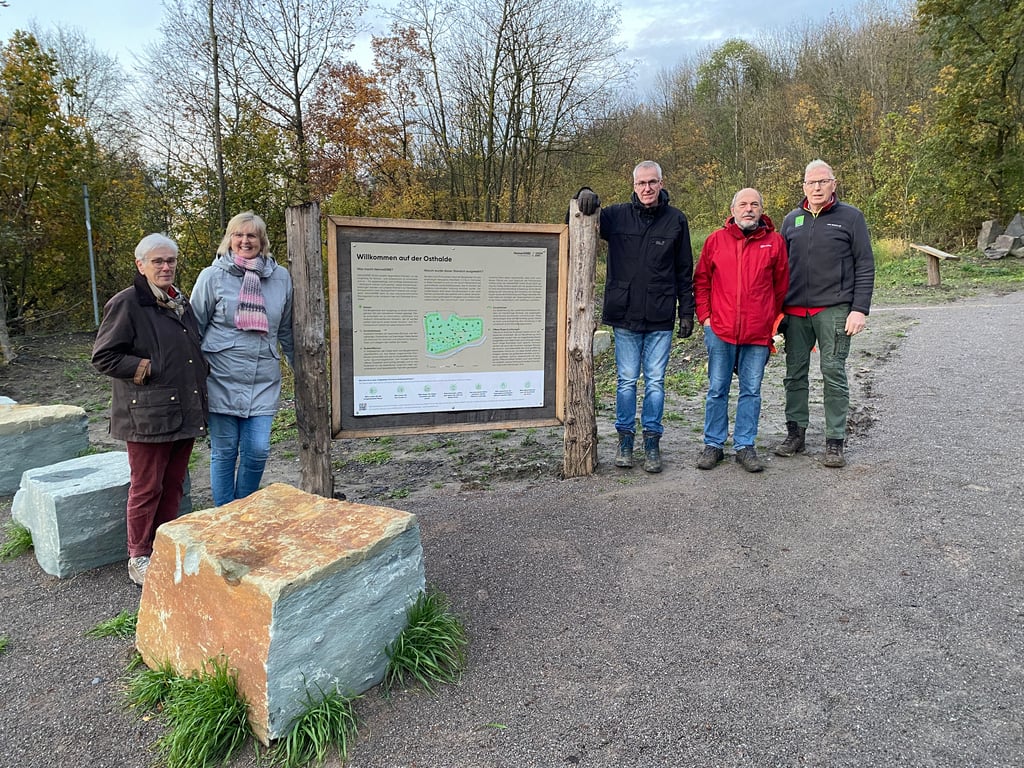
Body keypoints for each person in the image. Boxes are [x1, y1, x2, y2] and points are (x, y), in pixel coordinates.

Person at [92, 234, 209, 586]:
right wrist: (147, 367)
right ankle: (139, 556)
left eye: (171, 260)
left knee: (173, 484)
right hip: (147, 416)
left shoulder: (178, 302)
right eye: (158, 261)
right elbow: (104, 356)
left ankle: (164, 543)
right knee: (146, 487)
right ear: (140, 265)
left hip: (183, 410)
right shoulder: (127, 303)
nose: (166, 267)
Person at [575, 161, 695, 473]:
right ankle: (625, 440)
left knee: (655, 381)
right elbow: (577, 220)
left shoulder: (676, 221)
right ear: (634, 184)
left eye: (652, 182)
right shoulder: (615, 216)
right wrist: (584, 194)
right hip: (624, 313)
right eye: (641, 183)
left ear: (661, 183)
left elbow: (684, 271)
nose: (647, 188)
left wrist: (687, 311)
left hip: (660, 314)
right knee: (627, 381)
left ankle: (652, 442)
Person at [191, 211, 294, 505]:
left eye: (252, 235)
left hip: (263, 378)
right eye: (239, 235)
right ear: (229, 239)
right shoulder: (212, 276)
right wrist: (192, 376)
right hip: (221, 377)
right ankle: (226, 516)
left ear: (262, 241)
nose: (245, 240)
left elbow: (286, 329)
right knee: (224, 451)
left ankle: (243, 507)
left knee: (258, 448)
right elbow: (194, 328)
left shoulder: (280, 277)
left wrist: (304, 373)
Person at [776, 160, 875, 467]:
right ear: (804, 186)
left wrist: (859, 309)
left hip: (833, 309)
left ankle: (834, 441)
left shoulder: (850, 217)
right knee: (794, 374)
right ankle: (796, 433)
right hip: (794, 313)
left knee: (833, 372)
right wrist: (775, 312)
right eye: (811, 182)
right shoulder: (792, 220)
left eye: (822, 182)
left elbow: (865, 264)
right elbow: (779, 269)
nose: (816, 188)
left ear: (834, 183)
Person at [693, 188, 789, 473]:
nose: (749, 209)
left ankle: (745, 446)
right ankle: (713, 444)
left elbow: (781, 287)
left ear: (762, 210)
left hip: (757, 334)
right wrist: (706, 319)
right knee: (717, 389)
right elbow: (701, 282)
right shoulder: (715, 241)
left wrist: (771, 321)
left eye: (754, 204)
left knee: (751, 390)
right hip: (720, 330)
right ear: (733, 210)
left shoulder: (774, 243)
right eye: (743, 204)